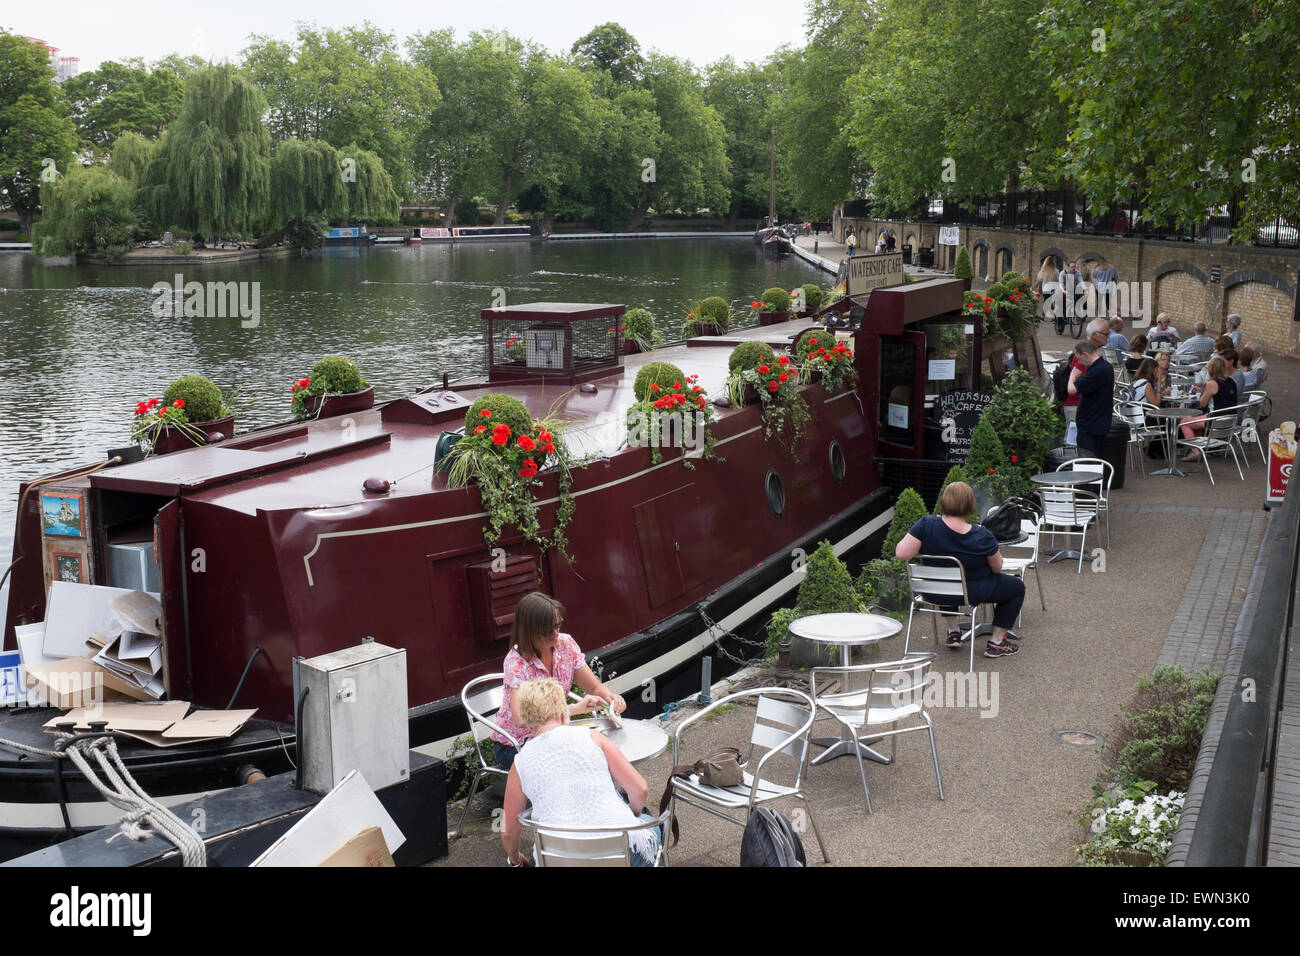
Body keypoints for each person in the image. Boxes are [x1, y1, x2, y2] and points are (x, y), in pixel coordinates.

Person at [501, 678, 660, 868]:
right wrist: (633, 813)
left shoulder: (519, 764)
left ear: (527, 722)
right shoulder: (592, 736)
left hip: (556, 860)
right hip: (618, 855)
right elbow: (640, 789)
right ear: (563, 712)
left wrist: (516, 860)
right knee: (653, 824)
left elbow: (508, 832)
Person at [490, 592, 626, 770]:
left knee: (595, 750)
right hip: (517, 744)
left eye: (558, 624)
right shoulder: (516, 662)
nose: (556, 633)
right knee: (576, 761)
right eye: (548, 630)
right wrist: (575, 709)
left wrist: (611, 699)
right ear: (530, 631)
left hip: (554, 732)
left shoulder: (566, 644)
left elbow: (593, 686)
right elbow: (522, 718)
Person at [895, 481, 1025, 658]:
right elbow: (997, 568)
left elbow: (902, 554)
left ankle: (953, 631)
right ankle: (997, 643)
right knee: (1016, 587)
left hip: (932, 591)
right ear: (971, 504)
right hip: (973, 593)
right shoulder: (982, 535)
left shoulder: (926, 525)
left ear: (944, 501)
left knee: (946, 577)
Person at [1177, 355, 1237, 461]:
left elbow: (1202, 404)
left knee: (1184, 422)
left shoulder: (1212, 383)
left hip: (1214, 420)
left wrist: (1189, 396)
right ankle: (1200, 449)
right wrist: (1202, 391)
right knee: (1197, 420)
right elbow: (1221, 395)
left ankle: (1195, 452)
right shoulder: (1232, 381)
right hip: (1230, 420)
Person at [1068, 326, 1115, 455]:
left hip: (1091, 426)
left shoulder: (1097, 371)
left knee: (1088, 460)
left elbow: (1071, 389)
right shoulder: (1106, 367)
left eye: (1079, 358)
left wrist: (1073, 374)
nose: (1079, 362)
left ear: (1085, 354)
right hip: (1098, 423)